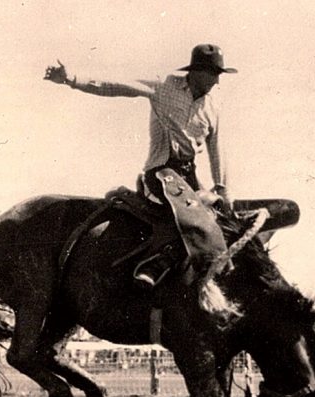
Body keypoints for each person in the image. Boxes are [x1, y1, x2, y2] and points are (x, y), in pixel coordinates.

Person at [44, 44, 237, 288]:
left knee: (218, 216)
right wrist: (71, 79)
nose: (216, 80)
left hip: (189, 177)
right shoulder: (164, 87)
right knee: (190, 214)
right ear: (196, 71)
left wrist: (223, 188)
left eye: (219, 74)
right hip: (162, 172)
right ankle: (155, 264)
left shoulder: (212, 108)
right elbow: (115, 86)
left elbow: (216, 150)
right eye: (212, 73)